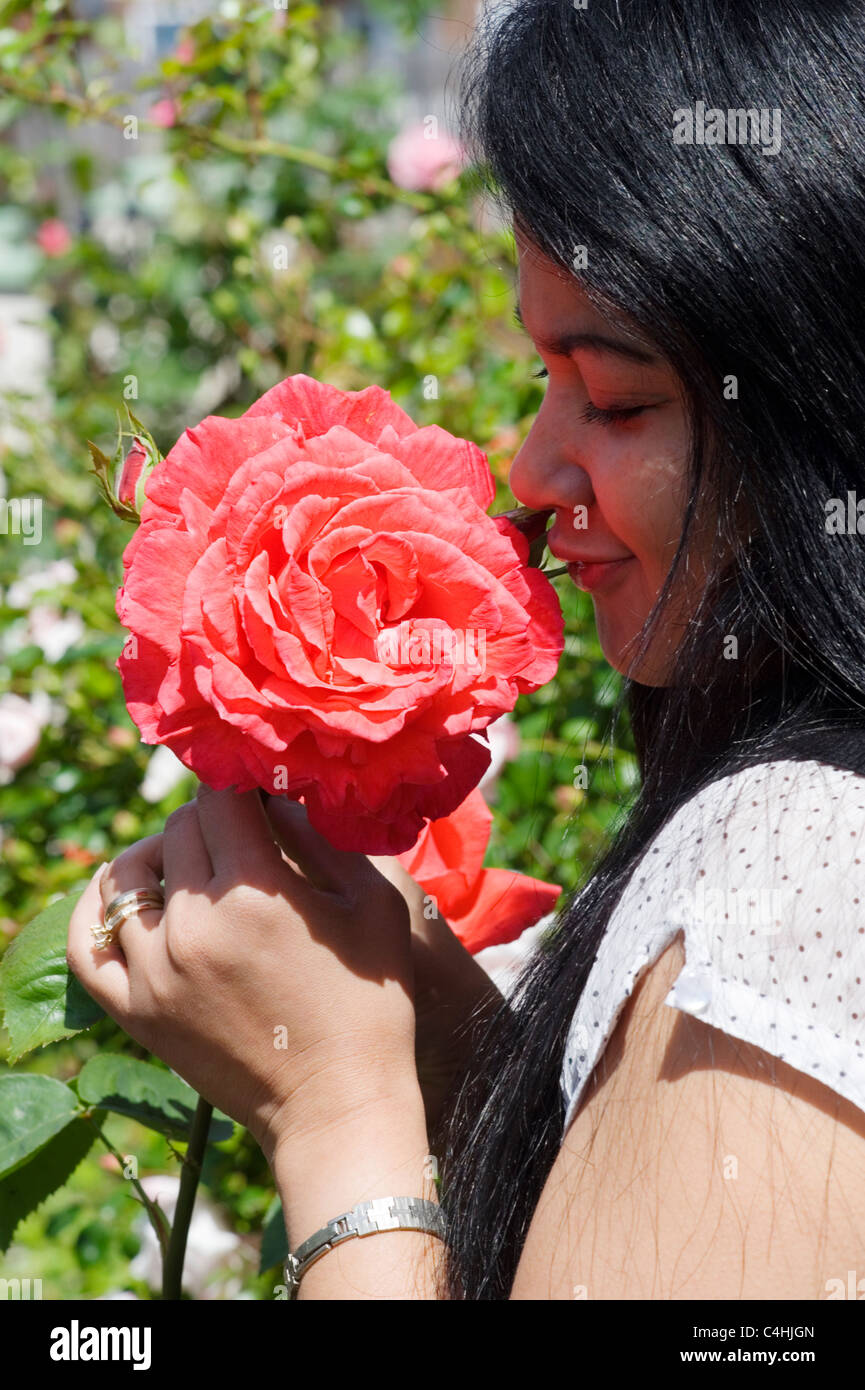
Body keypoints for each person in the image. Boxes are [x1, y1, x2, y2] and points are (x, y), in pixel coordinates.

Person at [67, 0, 865, 1299]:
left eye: (613, 397)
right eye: (544, 375)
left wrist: (334, 1110)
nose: (531, 466)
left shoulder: (800, 872)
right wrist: (452, 1042)